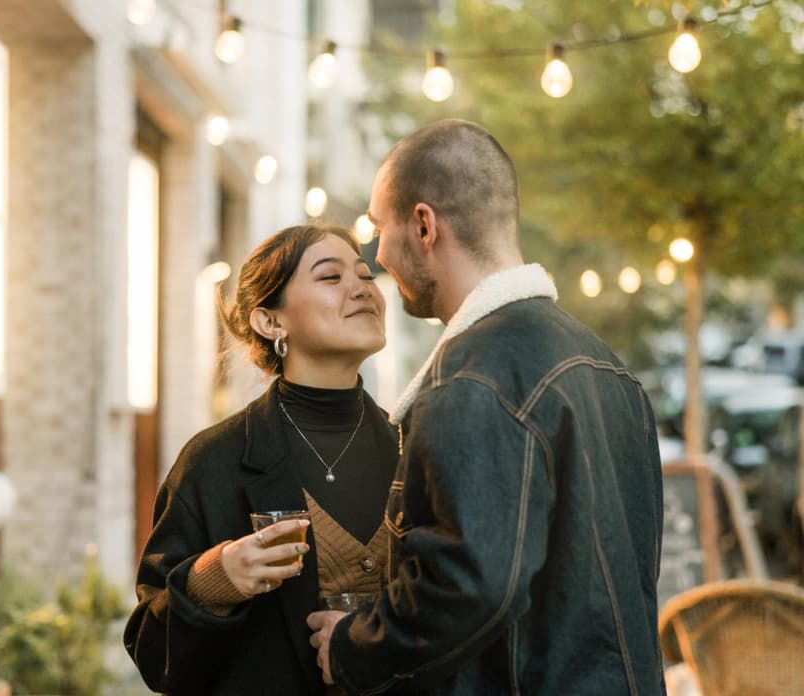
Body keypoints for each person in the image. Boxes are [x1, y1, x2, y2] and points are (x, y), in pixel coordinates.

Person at [308, 119, 667, 694]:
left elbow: (470, 583)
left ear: (424, 225)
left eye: (379, 229)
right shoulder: (610, 369)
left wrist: (354, 646)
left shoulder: (472, 377)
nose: (377, 255)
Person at [125, 224, 398, 694]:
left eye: (366, 275)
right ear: (271, 322)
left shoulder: (412, 448)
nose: (362, 289)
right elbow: (154, 656)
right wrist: (215, 581)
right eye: (331, 278)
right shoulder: (213, 461)